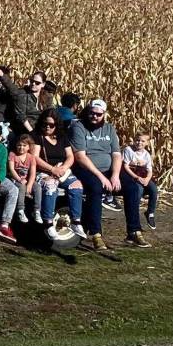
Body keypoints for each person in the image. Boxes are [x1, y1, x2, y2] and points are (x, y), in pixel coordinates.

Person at [70, 99, 122, 251]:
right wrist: (101, 176)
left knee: (133, 185)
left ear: (104, 114)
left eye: (98, 115)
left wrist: (115, 175)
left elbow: (116, 154)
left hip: (108, 170)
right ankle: (96, 234)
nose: (94, 117)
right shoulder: (79, 127)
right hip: (86, 169)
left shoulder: (109, 129)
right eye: (92, 113)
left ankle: (134, 231)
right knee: (95, 187)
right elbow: (80, 156)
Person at [30, 108, 86, 239]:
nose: (48, 127)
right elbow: (35, 157)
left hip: (62, 170)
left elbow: (70, 156)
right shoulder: (37, 136)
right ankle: (48, 222)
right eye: (45, 124)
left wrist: (63, 168)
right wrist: (51, 169)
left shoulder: (62, 137)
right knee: (50, 186)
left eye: (51, 125)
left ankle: (76, 221)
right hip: (43, 171)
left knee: (77, 186)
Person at [120, 131, 158, 247]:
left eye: (143, 141)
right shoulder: (128, 150)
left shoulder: (146, 154)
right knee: (138, 191)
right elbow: (125, 166)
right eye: (137, 140)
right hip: (132, 176)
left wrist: (147, 179)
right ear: (134, 139)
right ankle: (134, 220)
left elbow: (149, 170)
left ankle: (150, 212)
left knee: (153, 190)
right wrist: (136, 177)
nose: (139, 143)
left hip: (143, 175)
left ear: (147, 142)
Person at [7, 134, 37, 224]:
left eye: (24, 145)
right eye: (19, 145)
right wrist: (20, 180)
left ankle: (37, 210)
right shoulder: (12, 154)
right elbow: (11, 169)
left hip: (27, 179)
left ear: (29, 147)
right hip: (15, 179)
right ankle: (20, 209)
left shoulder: (31, 157)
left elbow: (33, 173)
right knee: (21, 187)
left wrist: (30, 185)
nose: (21, 147)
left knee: (38, 187)